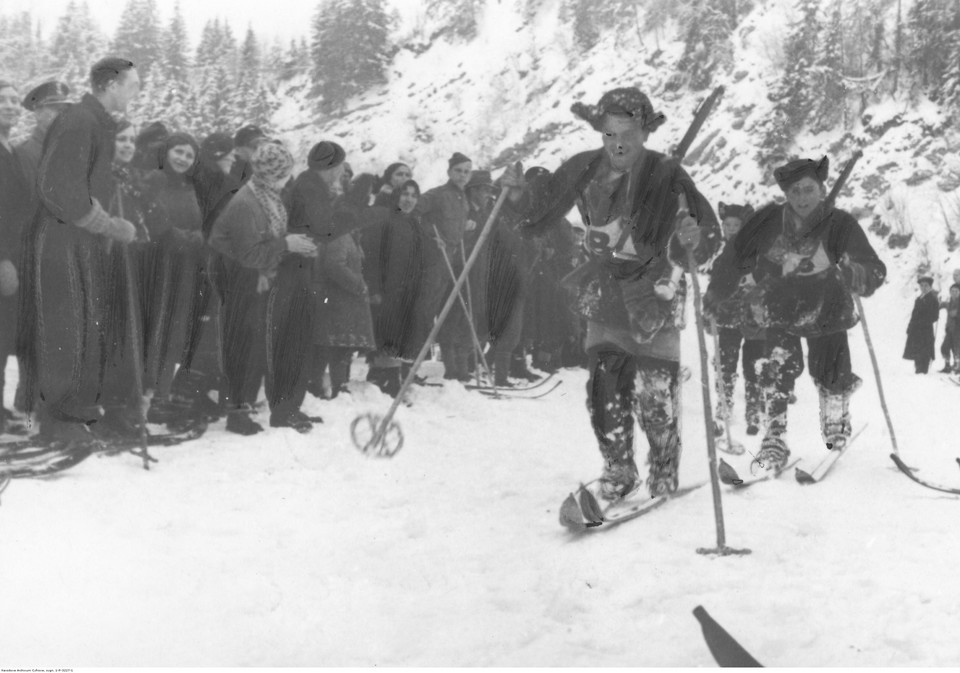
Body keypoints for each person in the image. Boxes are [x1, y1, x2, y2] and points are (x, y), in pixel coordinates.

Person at [512, 87, 721, 499]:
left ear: (644, 132)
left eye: (628, 131)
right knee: (605, 388)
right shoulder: (581, 168)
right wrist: (517, 193)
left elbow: (706, 232)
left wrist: (693, 238)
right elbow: (537, 216)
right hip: (605, 289)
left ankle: (663, 464)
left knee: (655, 398)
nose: (619, 142)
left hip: (653, 292)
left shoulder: (668, 174)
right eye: (610, 132)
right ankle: (618, 467)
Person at [706, 156, 886, 470]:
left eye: (808, 190)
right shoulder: (768, 220)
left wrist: (854, 272)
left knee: (831, 373)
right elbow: (733, 255)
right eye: (795, 192)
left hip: (828, 305)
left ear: (821, 188)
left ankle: (835, 425)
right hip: (780, 305)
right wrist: (715, 294)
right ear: (786, 194)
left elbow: (874, 268)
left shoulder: (840, 223)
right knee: (775, 370)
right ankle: (774, 439)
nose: (802, 198)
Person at [18, 57, 142, 448]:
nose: (135, 93)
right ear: (109, 85)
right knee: (65, 329)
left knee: (83, 326)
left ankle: (75, 416)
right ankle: (59, 424)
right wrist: (109, 224)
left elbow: (79, 178)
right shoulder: (80, 122)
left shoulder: (95, 125)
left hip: (79, 242)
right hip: (61, 242)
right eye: (132, 85)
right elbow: (58, 189)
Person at [208, 140, 318, 434]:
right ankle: (237, 414)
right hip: (240, 276)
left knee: (253, 344)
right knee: (245, 345)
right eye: (284, 173)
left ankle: (242, 409)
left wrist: (292, 247)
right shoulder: (248, 203)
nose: (288, 179)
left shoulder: (266, 196)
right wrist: (287, 245)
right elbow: (249, 253)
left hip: (254, 275)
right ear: (273, 174)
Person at [706, 202, 766, 436]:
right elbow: (714, 285)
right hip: (728, 316)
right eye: (727, 225)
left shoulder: (754, 250)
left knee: (754, 364)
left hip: (754, 317)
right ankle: (724, 402)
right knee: (725, 362)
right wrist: (708, 308)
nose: (731, 229)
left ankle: (754, 407)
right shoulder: (720, 255)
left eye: (736, 225)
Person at [361, 179, 425, 396]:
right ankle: (383, 376)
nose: (409, 199)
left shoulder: (414, 223)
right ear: (397, 196)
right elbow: (371, 256)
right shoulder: (385, 221)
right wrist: (374, 288)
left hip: (405, 290)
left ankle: (388, 376)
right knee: (386, 332)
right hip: (386, 288)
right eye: (405, 194)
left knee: (399, 333)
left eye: (413, 195)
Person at [414, 152, 474, 381]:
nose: (462, 175)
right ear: (449, 172)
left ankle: (451, 368)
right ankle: (410, 369)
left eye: (466, 172)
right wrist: (431, 236)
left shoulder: (463, 199)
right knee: (425, 313)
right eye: (458, 170)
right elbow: (415, 213)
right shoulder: (437, 195)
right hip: (437, 262)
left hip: (455, 261)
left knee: (450, 313)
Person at [0, 80, 34, 432]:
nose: (11, 105)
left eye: (13, 100)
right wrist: (2, 258)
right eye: (3, 101)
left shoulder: (9, 147)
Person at [15, 80, 71, 190]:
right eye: (56, 109)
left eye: (65, 110)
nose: (62, 115)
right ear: (38, 113)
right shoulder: (21, 156)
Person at [904, 276, 939, 375]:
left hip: (925, 330)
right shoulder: (918, 299)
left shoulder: (932, 299)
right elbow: (914, 314)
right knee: (916, 349)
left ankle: (923, 370)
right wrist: (910, 326)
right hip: (916, 329)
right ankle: (918, 369)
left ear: (930, 287)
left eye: (926, 285)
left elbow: (935, 316)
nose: (923, 287)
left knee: (925, 349)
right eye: (922, 285)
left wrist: (923, 322)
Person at [939, 283, 960, 372]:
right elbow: (942, 305)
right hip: (949, 329)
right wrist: (939, 303)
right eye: (952, 291)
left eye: (956, 291)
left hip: (958, 329)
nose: (954, 293)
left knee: (957, 348)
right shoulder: (949, 302)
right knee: (945, 347)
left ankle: (957, 366)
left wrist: (957, 314)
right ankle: (947, 366)